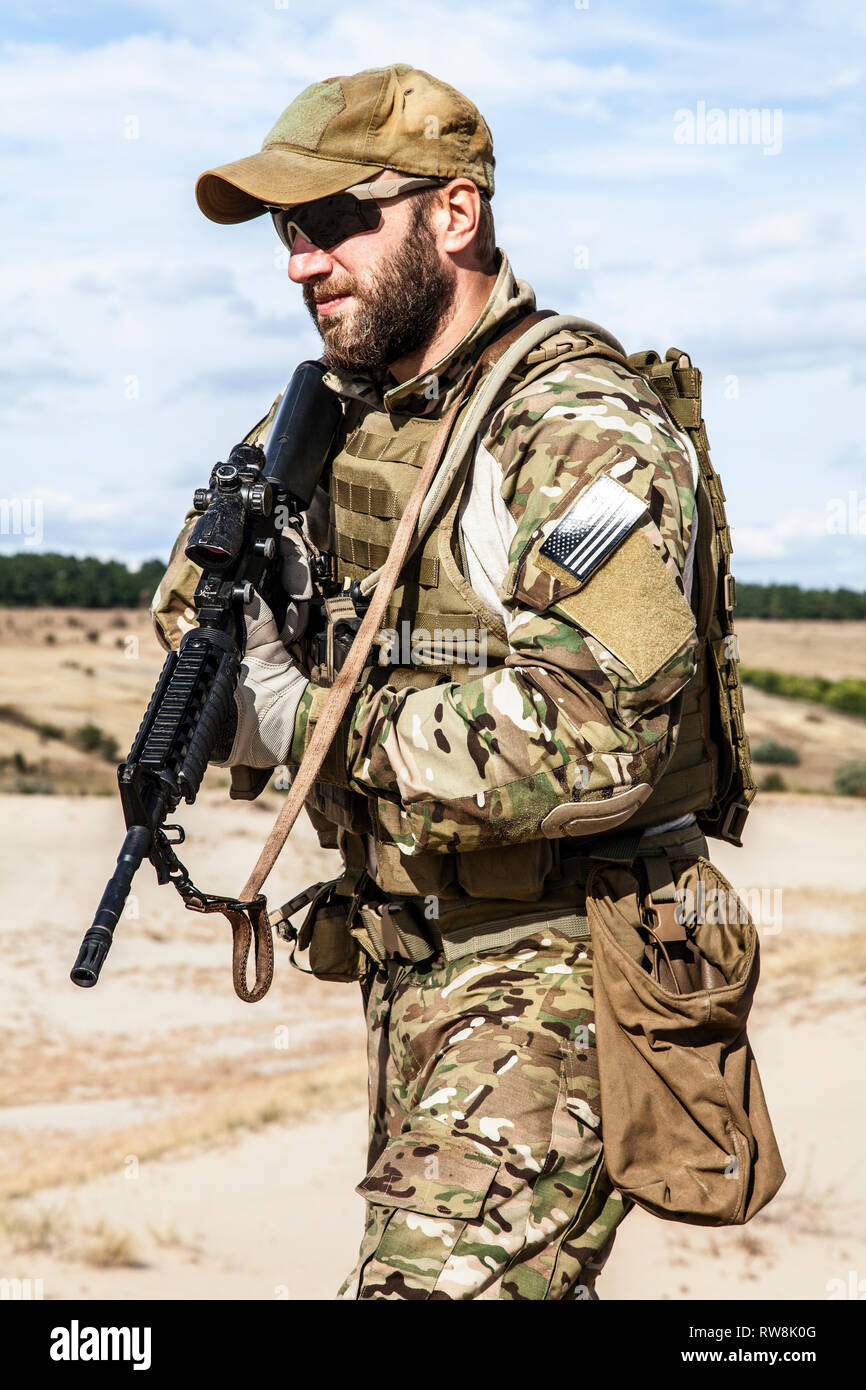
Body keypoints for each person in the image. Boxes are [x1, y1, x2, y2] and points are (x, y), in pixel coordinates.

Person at [152, 63, 744, 1300]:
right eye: (284, 233)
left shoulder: (576, 427)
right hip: (411, 951)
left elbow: (598, 731)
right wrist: (227, 620)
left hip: (560, 955)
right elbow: (191, 608)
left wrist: (306, 714)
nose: (300, 262)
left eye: (329, 225)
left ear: (453, 216)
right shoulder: (330, 413)